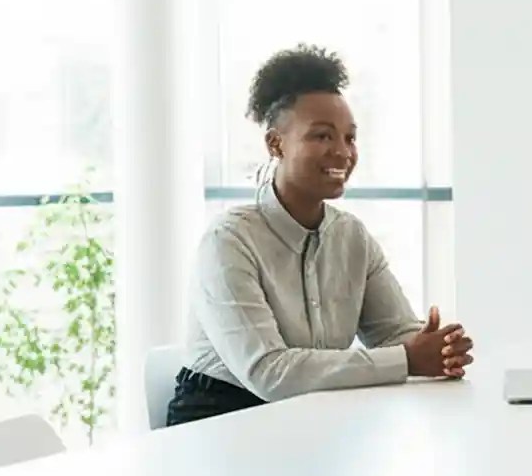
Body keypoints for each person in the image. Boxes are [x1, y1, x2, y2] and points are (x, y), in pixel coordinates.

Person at [167, 44, 474, 426]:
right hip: (218, 422)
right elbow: (269, 372)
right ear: (275, 143)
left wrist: (439, 348)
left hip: (315, 417)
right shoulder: (228, 241)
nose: (342, 152)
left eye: (349, 138)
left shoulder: (351, 237)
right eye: (322, 136)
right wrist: (410, 358)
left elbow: (396, 334)